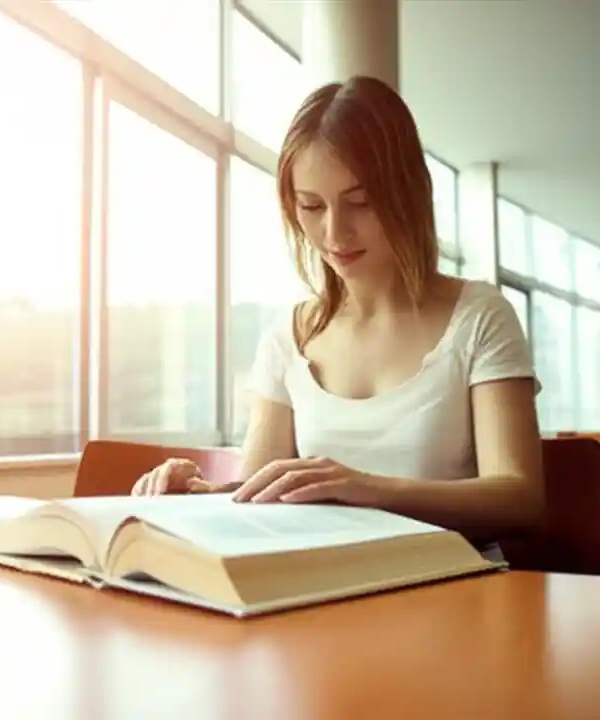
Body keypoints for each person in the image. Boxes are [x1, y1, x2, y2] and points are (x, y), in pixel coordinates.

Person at [132, 75, 546, 547]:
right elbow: (260, 498)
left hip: (456, 591)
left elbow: (520, 498)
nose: (334, 233)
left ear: (407, 194)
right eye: (311, 206)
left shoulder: (479, 316)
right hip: (325, 589)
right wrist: (197, 493)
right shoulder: (289, 337)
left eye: (361, 203)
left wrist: (367, 489)